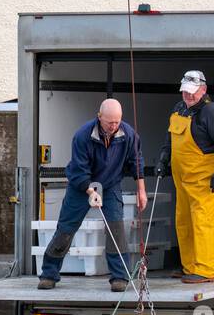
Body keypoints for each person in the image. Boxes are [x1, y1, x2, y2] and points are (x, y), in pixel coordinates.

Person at [38, 98, 146, 292]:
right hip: (80, 186)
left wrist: (141, 190)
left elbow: (136, 162)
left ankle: (120, 277)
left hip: (111, 184)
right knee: (66, 229)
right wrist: (90, 191)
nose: (113, 126)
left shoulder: (129, 134)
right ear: (99, 117)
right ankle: (49, 274)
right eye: (109, 122)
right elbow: (79, 169)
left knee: (116, 229)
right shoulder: (83, 135)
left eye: (117, 121)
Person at [155, 70, 214, 284]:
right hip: (182, 182)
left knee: (203, 223)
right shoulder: (179, 109)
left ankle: (206, 268)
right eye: (185, 91)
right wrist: (163, 159)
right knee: (184, 223)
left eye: (192, 92)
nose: (188, 96)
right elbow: (169, 139)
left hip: (204, 182)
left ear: (203, 90)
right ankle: (190, 266)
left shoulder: (212, 112)